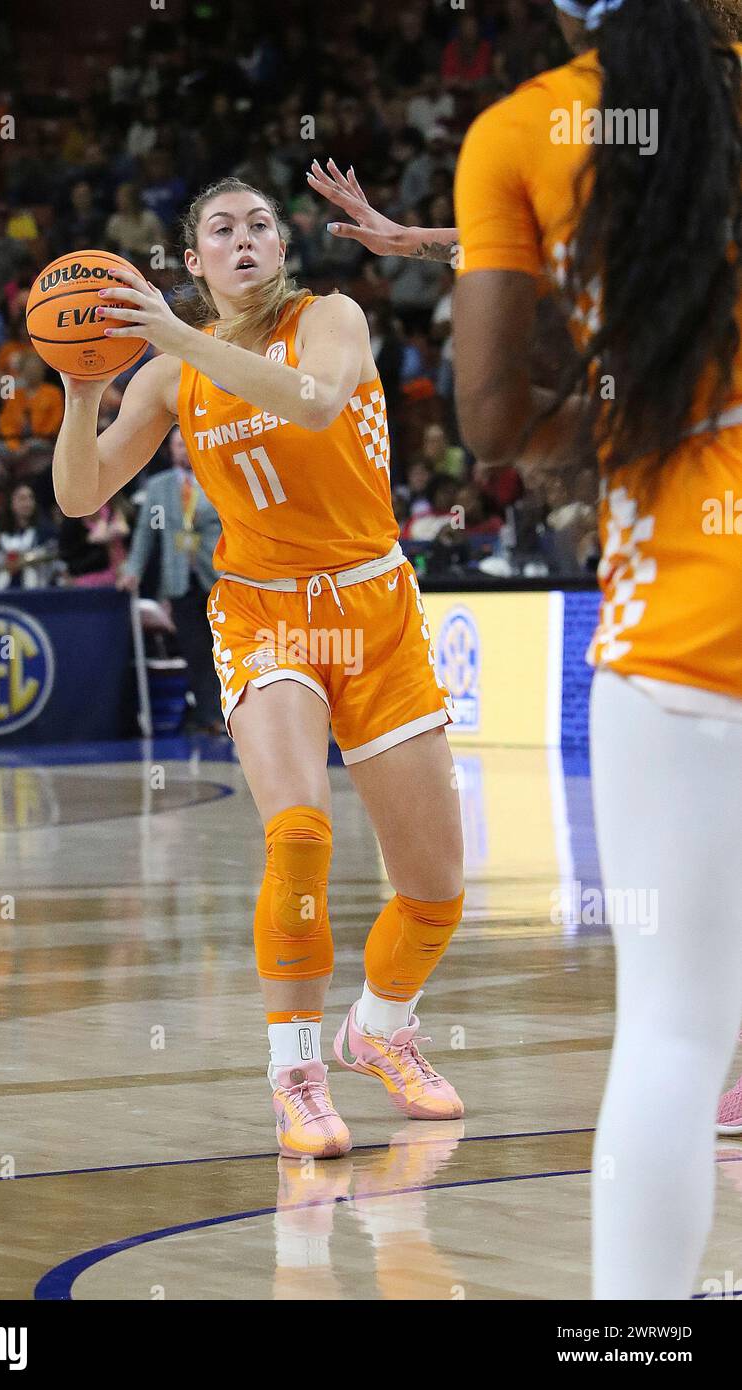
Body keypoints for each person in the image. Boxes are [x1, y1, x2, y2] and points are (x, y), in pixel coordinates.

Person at [308, 0, 742, 1300]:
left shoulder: (524, 130)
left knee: (671, 1033)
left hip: (682, 631)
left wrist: (645, 406)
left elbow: (493, 418)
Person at [52, 177, 465, 1160]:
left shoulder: (330, 316)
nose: (245, 239)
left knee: (434, 888)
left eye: (260, 225)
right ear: (192, 262)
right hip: (264, 615)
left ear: (280, 248)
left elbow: (318, 405)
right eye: (221, 230)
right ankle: (293, 1070)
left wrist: (174, 336)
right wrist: (78, 391)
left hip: (374, 607)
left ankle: (375, 1029)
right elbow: (80, 494)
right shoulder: (163, 375)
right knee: (299, 832)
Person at [117, 431, 224, 735]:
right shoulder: (158, 487)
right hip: (179, 579)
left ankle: (230, 712)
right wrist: (133, 568)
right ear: (169, 449)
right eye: (179, 445)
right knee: (194, 649)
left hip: (217, 575)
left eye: (190, 444)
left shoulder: (216, 478)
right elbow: (145, 534)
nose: (185, 451)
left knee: (223, 647)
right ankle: (209, 716)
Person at [0, 483, 58, 590]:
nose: (27, 503)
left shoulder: (46, 532)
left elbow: (52, 557)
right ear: (11, 502)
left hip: (38, 589)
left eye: (31, 498)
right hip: (1, 591)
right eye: (22, 499)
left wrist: (23, 560)